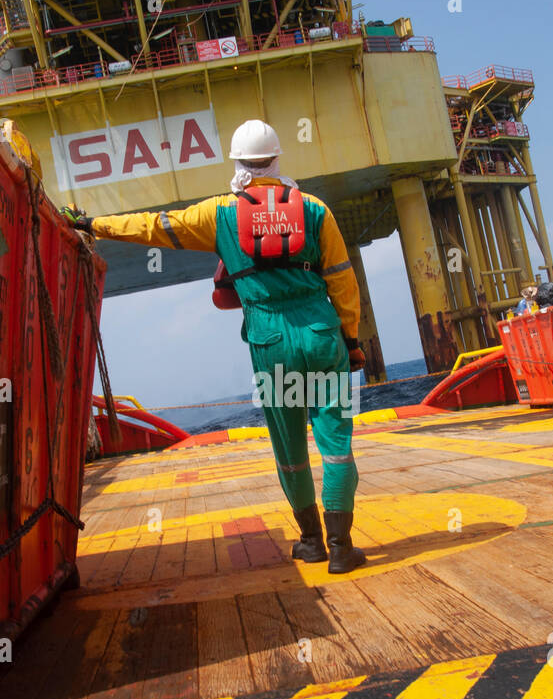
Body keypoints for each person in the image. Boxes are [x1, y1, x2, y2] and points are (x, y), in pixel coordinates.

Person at [61, 120, 367, 573]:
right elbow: (342, 279)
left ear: (238, 163)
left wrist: (91, 223)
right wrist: (353, 340)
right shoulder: (316, 210)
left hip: (271, 341)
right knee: (337, 445)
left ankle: (310, 542)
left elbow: (153, 227)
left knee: (290, 450)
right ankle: (342, 549)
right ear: (278, 159)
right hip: (322, 334)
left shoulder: (220, 213)